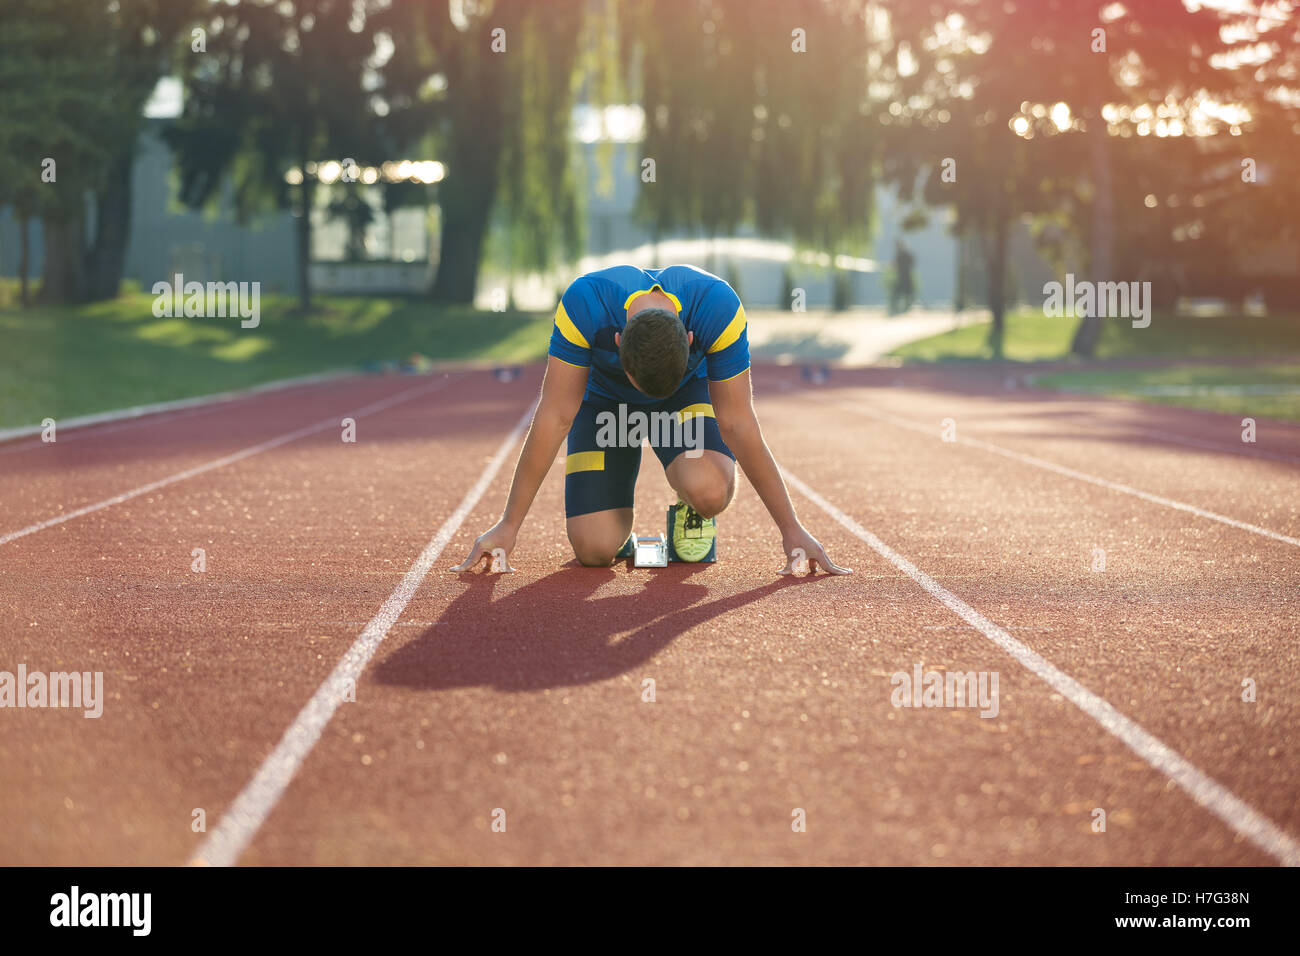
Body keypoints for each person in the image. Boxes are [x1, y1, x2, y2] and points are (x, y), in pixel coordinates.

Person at [452, 264, 851, 575]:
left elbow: (739, 424)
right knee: (593, 551)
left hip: (682, 400)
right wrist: (508, 525)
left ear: (691, 341)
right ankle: (616, 529)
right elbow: (555, 416)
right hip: (606, 402)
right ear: (618, 341)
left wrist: (791, 530)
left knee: (710, 490)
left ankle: (690, 504)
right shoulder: (584, 304)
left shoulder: (719, 308)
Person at [890, 239, 916, 314]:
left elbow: (911, 263)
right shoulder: (899, 255)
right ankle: (897, 309)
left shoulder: (905, 255)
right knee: (897, 293)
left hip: (905, 277)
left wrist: (897, 266)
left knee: (907, 294)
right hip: (902, 277)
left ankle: (904, 309)